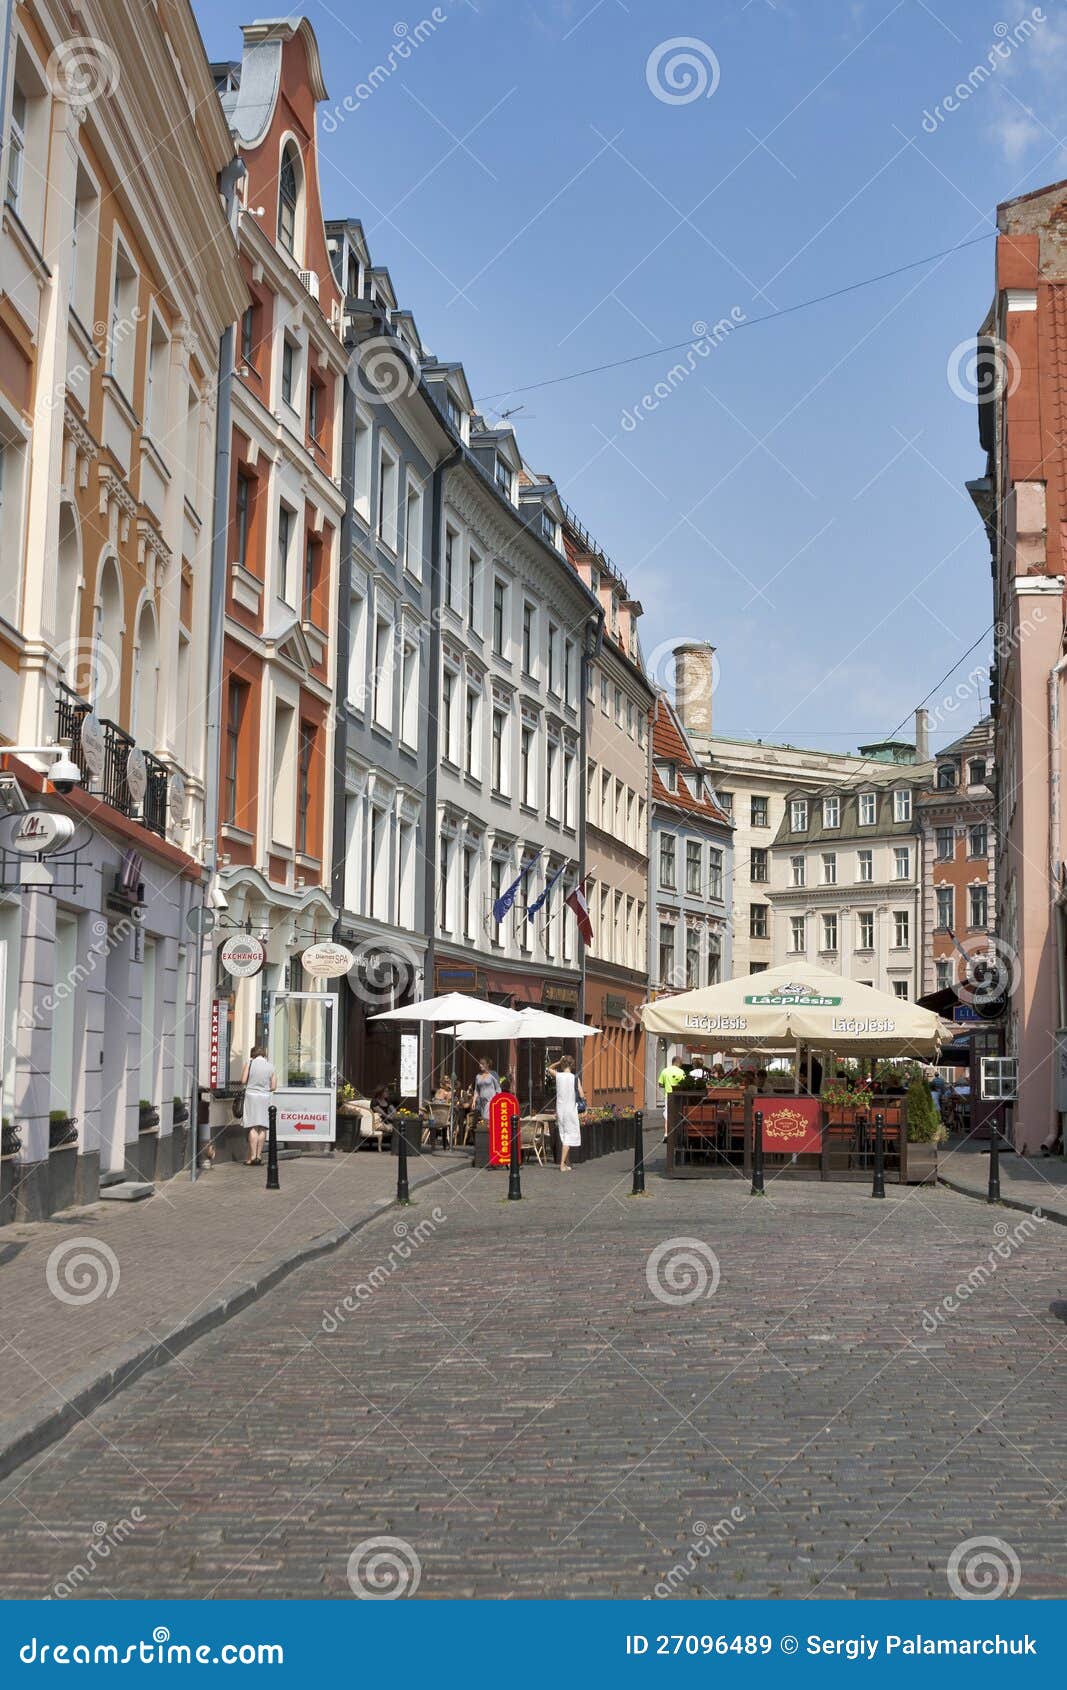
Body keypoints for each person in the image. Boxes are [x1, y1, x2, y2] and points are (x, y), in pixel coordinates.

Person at [240, 1045, 275, 1166]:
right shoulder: (270, 1066)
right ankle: (259, 1156)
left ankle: (252, 1156)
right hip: (265, 1097)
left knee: (253, 1126)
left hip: (251, 1096)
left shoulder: (250, 1063)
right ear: (264, 1054)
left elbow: (243, 1080)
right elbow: (274, 1086)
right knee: (262, 1127)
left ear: (253, 1054)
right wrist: (264, 1088)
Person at [548, 1055, 585, 1171]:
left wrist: (558, 1062)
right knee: (569, 1135)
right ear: (572, 1065)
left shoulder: (558, 1076)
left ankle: (567, 1161)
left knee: (564, 1134)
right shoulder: (574, 1078)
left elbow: (549, 1068)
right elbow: (582, 1095)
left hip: (560, 1109)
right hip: (570, 1110)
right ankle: (562, 1164)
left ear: (563, 1064)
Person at [658, 1052, 687, 1139]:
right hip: (679, 1096)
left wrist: (666, 1085)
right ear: (679, 1063)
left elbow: (660, 1084)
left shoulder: (665, 1071)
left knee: (667, 1114)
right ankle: (677, 1133)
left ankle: (666, 1133)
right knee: (678, 1114)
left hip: (668, 1095)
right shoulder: (682, 1072)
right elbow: (685, 1084)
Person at [471, 1056, 501, 1123]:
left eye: (482, 1064)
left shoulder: (493, 1074)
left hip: (491, 1101)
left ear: (487, 1064)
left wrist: (496, 1101)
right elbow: (476, 1090)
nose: (480, 1065)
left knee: (487, 1119)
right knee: (483, 1120)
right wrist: (473, 1101)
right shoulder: (478, 1076)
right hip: (481, 1102)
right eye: (480, 1063)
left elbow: (498, 1089)